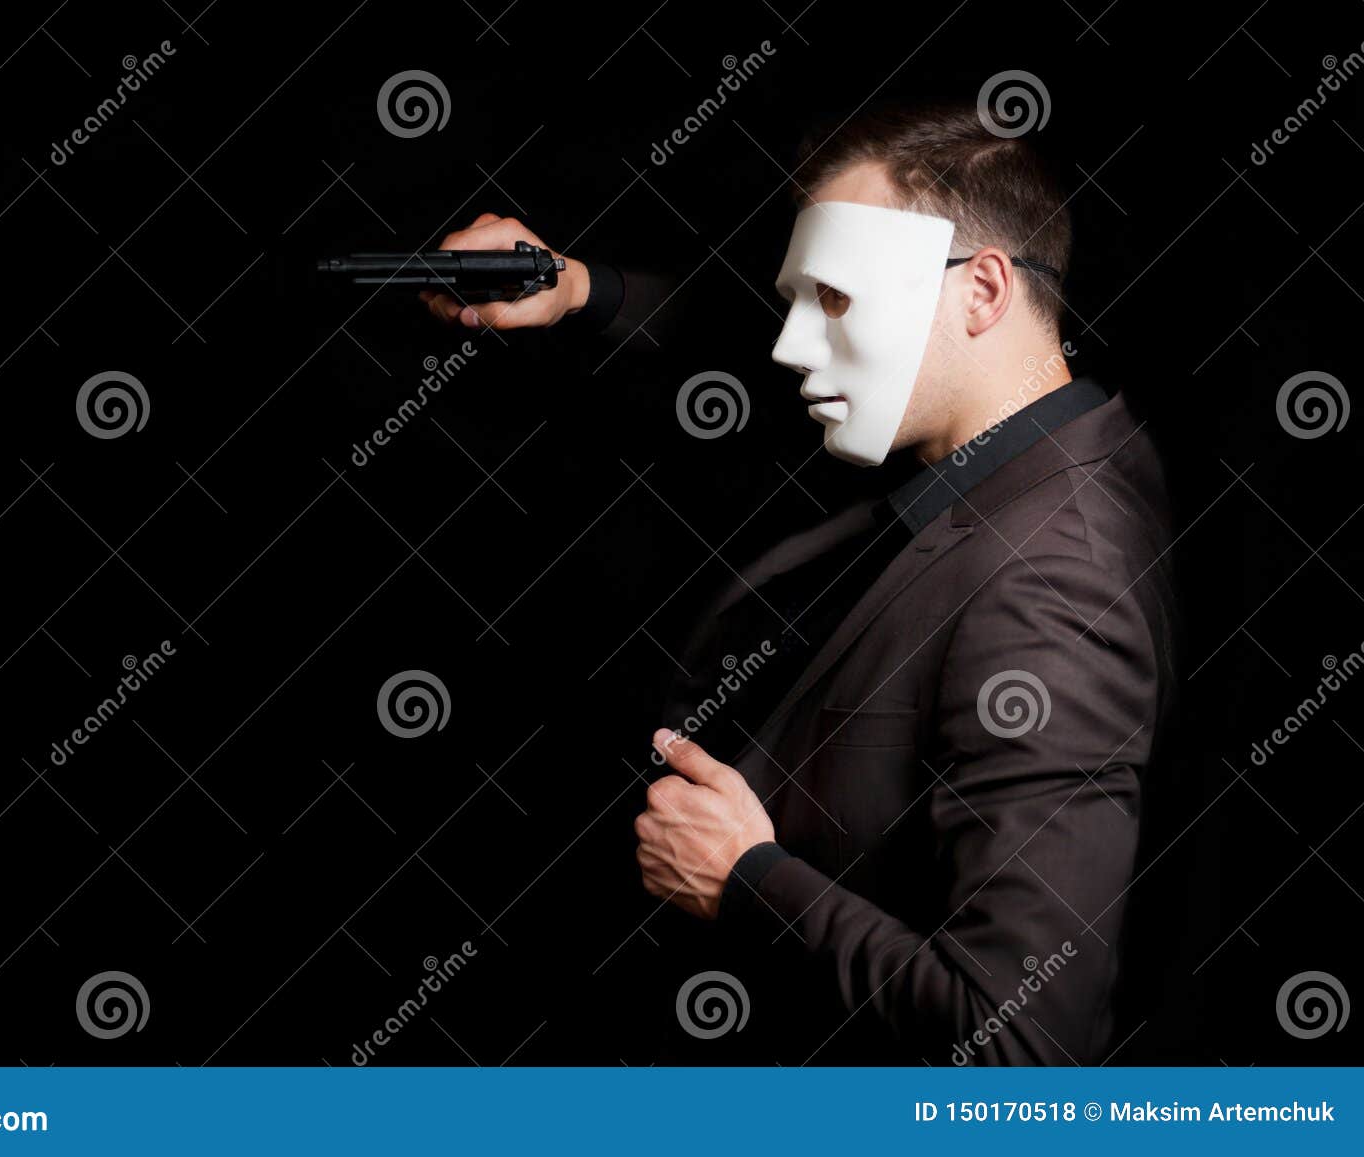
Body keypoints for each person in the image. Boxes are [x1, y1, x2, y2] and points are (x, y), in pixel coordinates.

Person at [423, 101, 1180, 1065]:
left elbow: (1024, 1045)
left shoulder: (1054, 590)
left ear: (982, 292)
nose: (789, 343)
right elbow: (736, 332)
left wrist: (746, 879)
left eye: (833, 300)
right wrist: (572, 287)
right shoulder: (1043, 421)